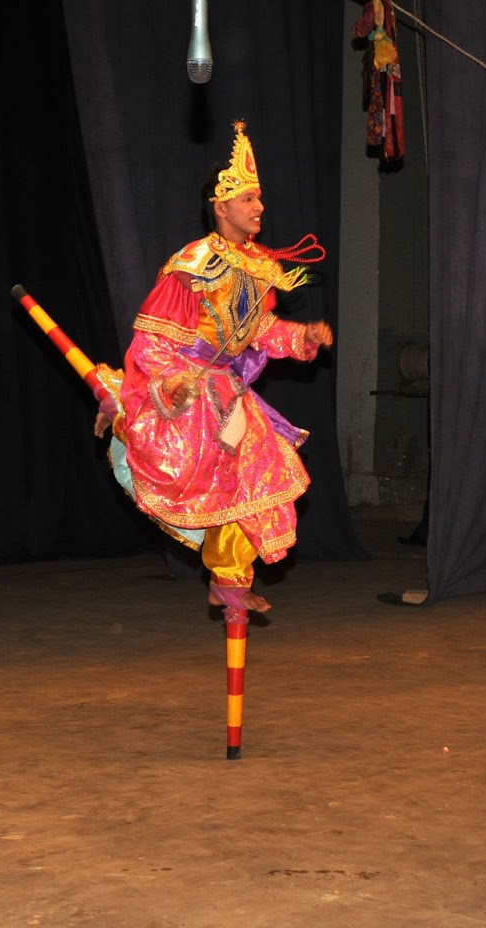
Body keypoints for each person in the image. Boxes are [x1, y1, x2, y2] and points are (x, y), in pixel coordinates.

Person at [104, 121, 332, 619]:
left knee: (261, 477)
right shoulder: (193, 264)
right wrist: (173, 384)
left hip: (227, 389)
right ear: (221, 205)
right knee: (214, 475)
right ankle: (122, 409)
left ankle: (228, 581)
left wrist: (301, 337)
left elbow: (261, 331)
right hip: (189, 385)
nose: (259, 209)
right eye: (249, 199)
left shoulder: (258, 265)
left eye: (260, 199)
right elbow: (153, 338)